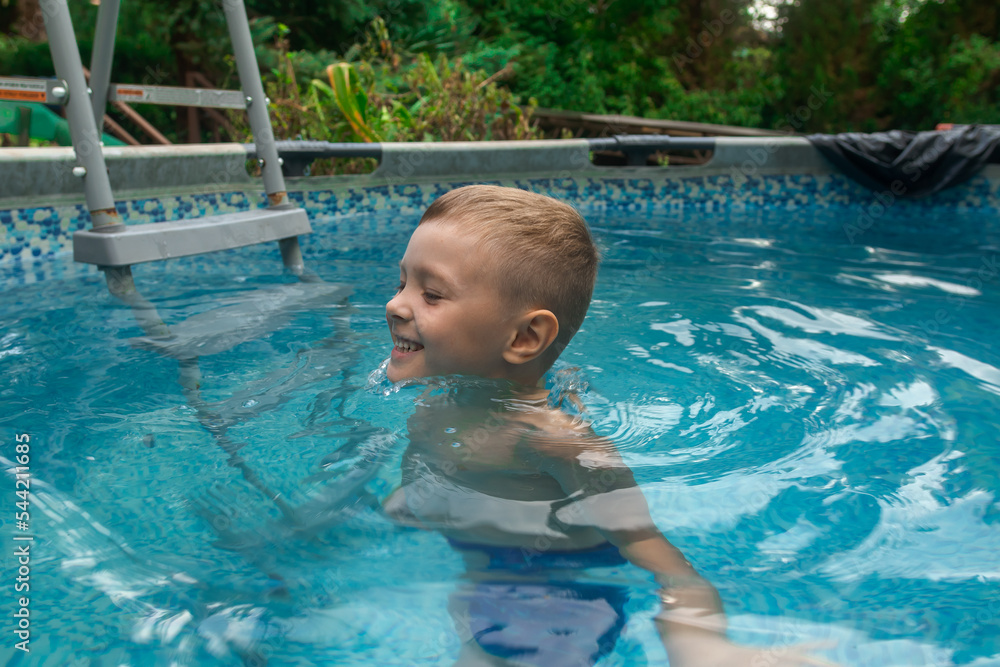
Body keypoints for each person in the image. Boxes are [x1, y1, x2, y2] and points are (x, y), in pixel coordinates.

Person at [380, 185, 828, 667]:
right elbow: (433, 463)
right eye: (402, 282)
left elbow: (656, 554)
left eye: (431, 294)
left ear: (526, 337)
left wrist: (700, 643)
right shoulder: (437, 392)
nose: (396, 305)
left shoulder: (554, 440)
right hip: (486, 569)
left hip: (562, 598)